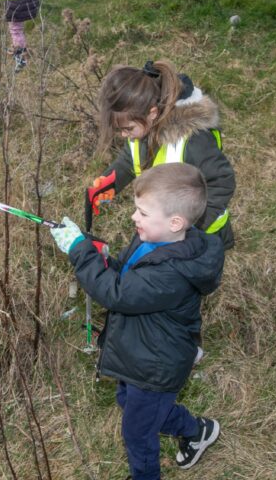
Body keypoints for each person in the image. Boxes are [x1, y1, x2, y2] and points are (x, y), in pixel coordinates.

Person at [51, 163, 223, 479]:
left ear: (175, 222)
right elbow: (127, 276)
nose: (134, 217)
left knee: (137, 434)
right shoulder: (154, 241)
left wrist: (80, 252)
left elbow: (118, 294)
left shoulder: (172, 274)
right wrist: (101, 257)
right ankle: (196, 430)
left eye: (142, 213)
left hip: (156, 365)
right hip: (140, 351)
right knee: (128, 401)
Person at [90, 59, 235, 252]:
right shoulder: (143, 130)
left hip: (201, 238)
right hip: (166, 230)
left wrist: (190, 227)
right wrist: (110, 182)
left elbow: (222, 181)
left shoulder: (194, 141)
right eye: (120, 130)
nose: (124, 135)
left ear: (152, 113)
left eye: (128, 129)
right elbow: (129, 159)